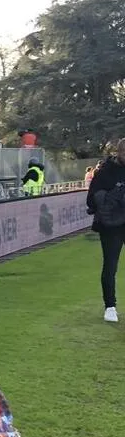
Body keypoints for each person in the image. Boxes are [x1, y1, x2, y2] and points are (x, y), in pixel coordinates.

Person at [86, 137, 125, 323]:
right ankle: (110, 306)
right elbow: (91, 200)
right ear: (118, 152)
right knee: (110, 265)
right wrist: (111, 201)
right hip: (111, 225)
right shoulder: (105, 172)